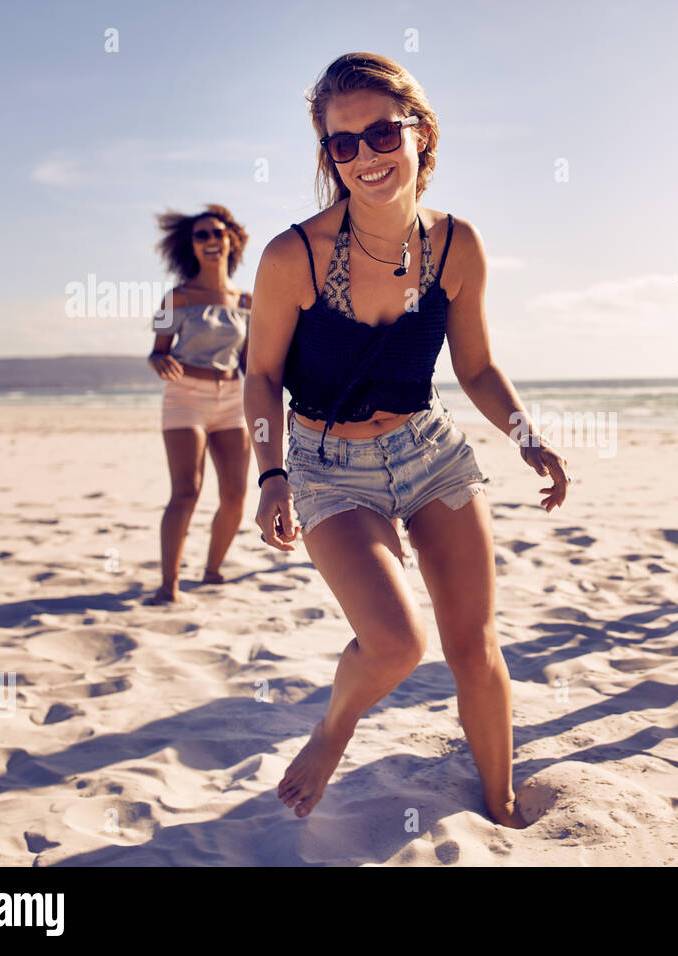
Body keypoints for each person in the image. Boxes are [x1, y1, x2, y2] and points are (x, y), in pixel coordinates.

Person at [243, 52, 569, 825]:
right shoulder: (296, 256)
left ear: (420, 132)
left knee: (474, 646)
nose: (364, 157)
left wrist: (527, 436)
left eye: (381, 134)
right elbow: (259, 379)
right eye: (342, 144)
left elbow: (478, 365)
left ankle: (501, 801)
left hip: (431, 454)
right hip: (328, 465)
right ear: (328, 156)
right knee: (395, 644)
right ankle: (333, 729)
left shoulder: (458, 246)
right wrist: (270, 475)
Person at [146, 204, 252, 605]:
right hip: (185, 396)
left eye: (217, 233)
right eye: (201, 235)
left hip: (232, 401)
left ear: (231, 241)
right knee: (186, 491)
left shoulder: (247, 300)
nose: (211, 241)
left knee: (236, 496)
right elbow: (156, 352)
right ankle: (168, 584)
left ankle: (212, 570)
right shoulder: (175, 298)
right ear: (190, 246)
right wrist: (160, 360)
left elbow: (249, 363)